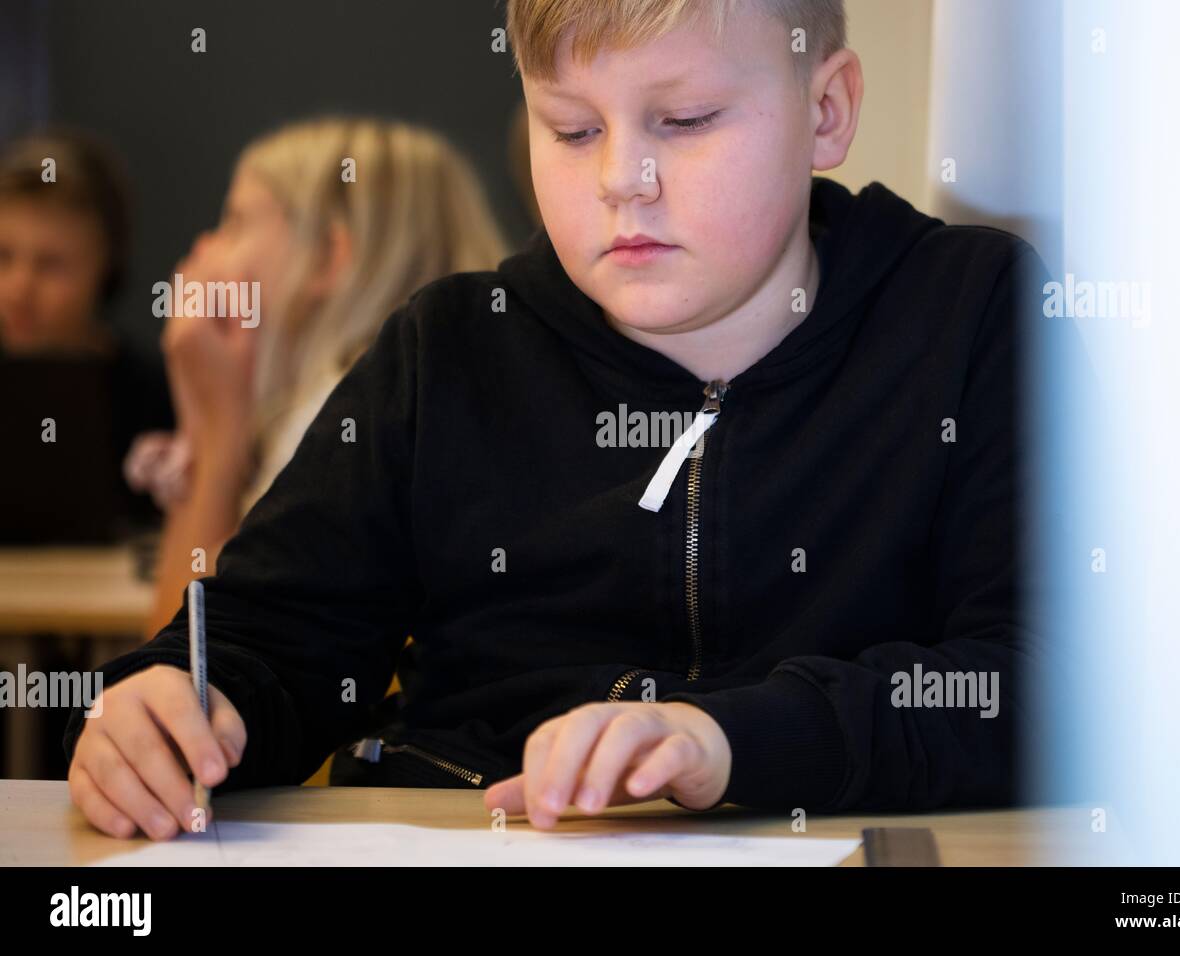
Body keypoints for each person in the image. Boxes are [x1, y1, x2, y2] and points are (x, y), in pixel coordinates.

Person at [65, 0, 1053, 841]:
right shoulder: (447, 349)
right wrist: (177, 704)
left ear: (825, 110)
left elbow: (1041, 681)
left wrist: (731, 737)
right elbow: (278, 638)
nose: (622, 177)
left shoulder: (967, 317)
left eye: (687, 119)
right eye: (572, 130)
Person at [130, 117, 509, 638]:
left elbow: (188, 656)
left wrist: (216, 427)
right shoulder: (435, 391)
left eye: (236, 222)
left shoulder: (340, 412)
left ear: (328, 258)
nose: (204, 246)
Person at [0, 129, 174, 527]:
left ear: (106, 268)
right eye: (3, 256)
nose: (18, 288)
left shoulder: (154, 395)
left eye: (51, 264)